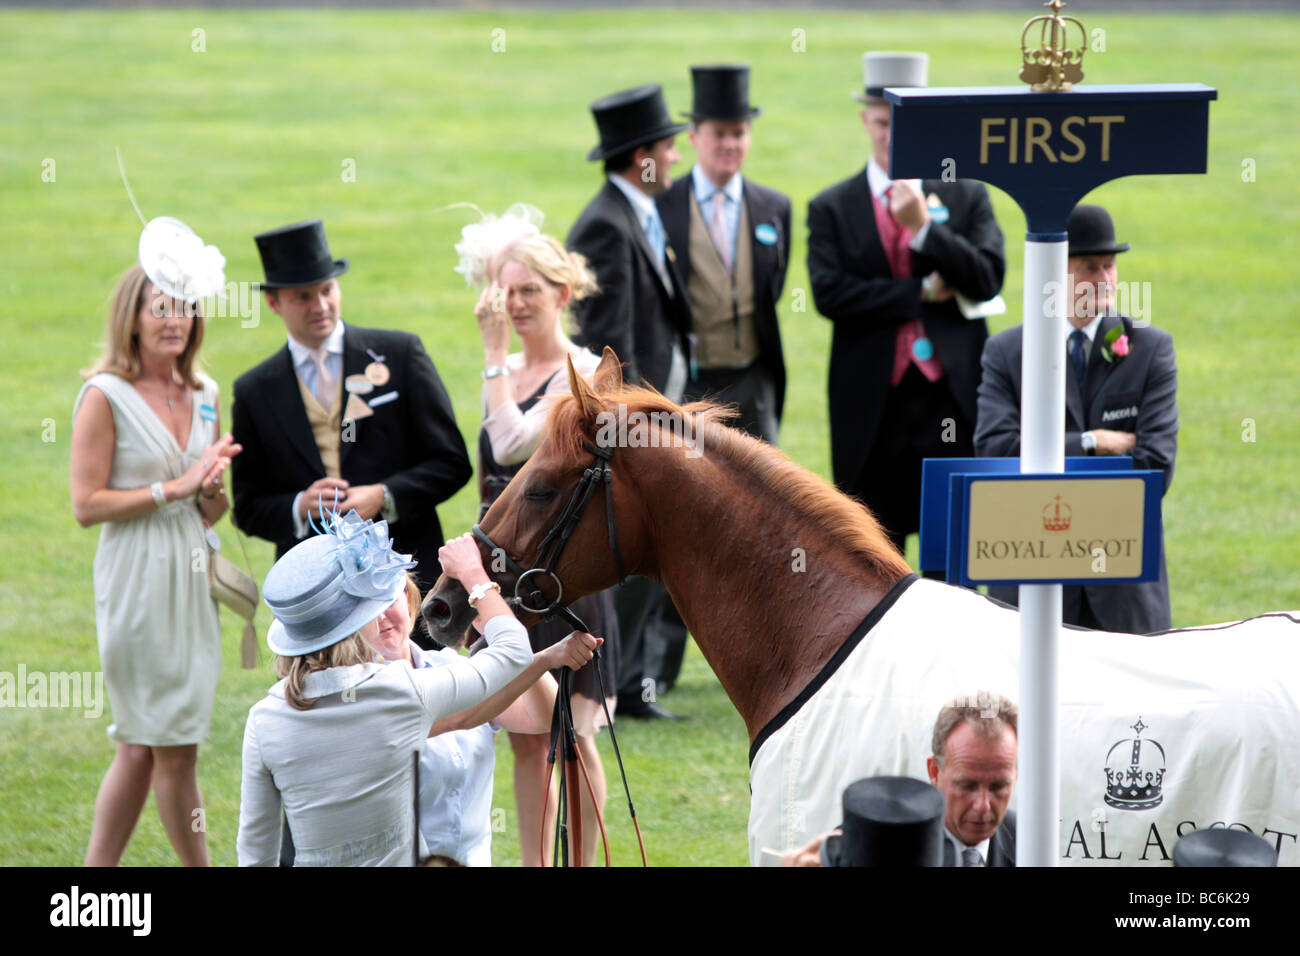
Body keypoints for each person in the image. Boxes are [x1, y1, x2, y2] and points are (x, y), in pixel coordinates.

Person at [71, 217, 239, 866]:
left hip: (191, 574)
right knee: (163, 742)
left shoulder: (204, 393)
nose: (175, 321)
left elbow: (212, 508)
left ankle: (95, 875)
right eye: (161, 308)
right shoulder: (104, 395)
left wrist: (210, 487)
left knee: (149, 743)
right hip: (137, 577)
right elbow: (87, 506)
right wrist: (175, 488)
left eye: (186, 309)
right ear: (133, 316)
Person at [459, 207, 620, 865]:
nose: (514, 304)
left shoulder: (579, 375)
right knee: (526, 735)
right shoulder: (504, 375)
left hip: (563, 578)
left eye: (529, 290)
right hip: (504, 579)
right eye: (505, 290)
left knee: (571, 739)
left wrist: (494, 355)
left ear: (563, 292)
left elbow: (510, 443)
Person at [236, 521, 536, 866]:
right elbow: (513, 652)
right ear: (355, 622)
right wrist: (474, 577)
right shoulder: (398, 692)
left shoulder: (264, 719)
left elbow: (256, 855)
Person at [231, 219, 471, 645]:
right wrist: (298, 506)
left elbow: (452, 461)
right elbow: (248, 506)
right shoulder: (254, 390)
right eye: (303, 297)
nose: (320, 304)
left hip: (405, 577)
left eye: (327, 290)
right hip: (315, 595)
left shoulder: (399, 354)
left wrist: (385, 495)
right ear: (273, 303)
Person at [808, 51, 1006, 558]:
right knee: (874, 559)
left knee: (954, 552)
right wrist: (916, 293)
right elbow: (831, 295)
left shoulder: (966, 195)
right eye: (881, 121)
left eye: (903, 120)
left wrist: (925, 229)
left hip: (951, 400)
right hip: (873, 404)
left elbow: (987, 278)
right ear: (864, 120)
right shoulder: (832, 206)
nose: (891, 133)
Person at [975, 204, 1177, 633]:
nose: (1105, 280)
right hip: (1031, 581)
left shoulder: (1151, 349)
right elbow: (997, 452)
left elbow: (1155, 466)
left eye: (1110, 266)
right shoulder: (1008, 353)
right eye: (1089, 267)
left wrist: (1051, 461)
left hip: (1124, 589)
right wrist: (1091, 442)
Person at [568, 84, 693, 720]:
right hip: (634, 426)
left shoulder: (636, 213)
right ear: (643, 156)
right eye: (668, 148)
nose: (675, 159)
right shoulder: (605, 224)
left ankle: (635, 682)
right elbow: (610, 344)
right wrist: (641, 428)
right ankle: (619, 681)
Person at [366, 573, 600, 866]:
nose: (381, 615)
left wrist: (519, 645)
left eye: (389, 599)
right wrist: (544, 658)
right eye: (365, 606)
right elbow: (459, 717)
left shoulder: (451, 666)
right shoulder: (360, 697)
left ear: (410, 602)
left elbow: (548, 717)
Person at [658, 63, 791, 446]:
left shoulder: (774, 206)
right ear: (694, 136)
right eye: (719, 134)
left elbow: (773, 286)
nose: (730, 144)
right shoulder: (664, 206)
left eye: (739, 133)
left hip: (754, 381)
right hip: (690, 384)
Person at [925, 692, 1018, 867]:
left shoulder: (1031, 842)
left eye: (998, 786)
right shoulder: (896, 849)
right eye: (967, 786)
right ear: (934, 772)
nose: (983, 806)